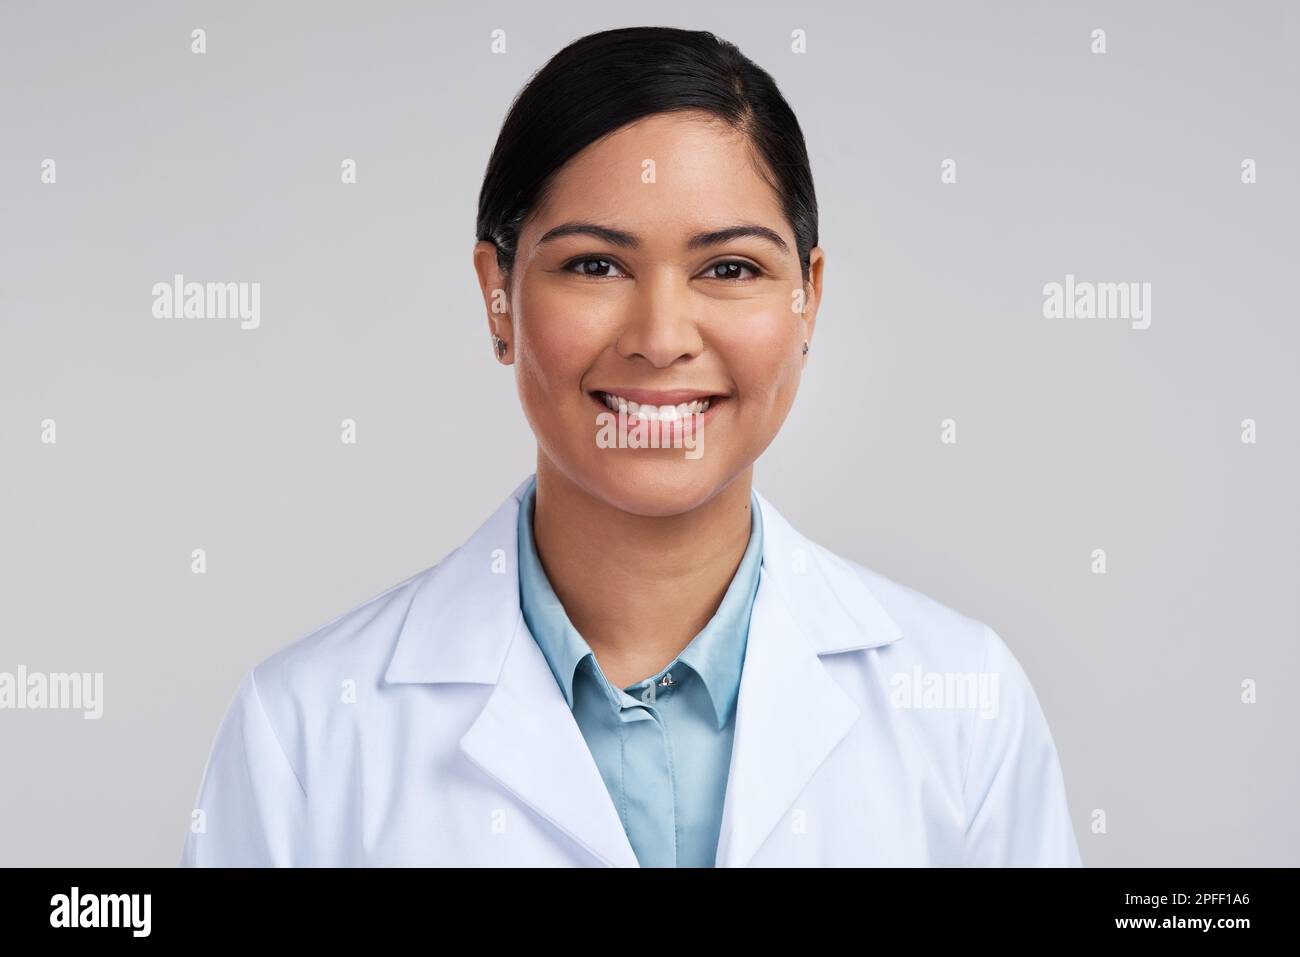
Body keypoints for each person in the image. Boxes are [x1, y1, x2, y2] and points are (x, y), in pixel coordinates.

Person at [181, 26, 1081, 868]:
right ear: (498, 295)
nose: (661, 337)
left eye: (729, 268)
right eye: (595, 265)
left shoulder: (964, 707)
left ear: (808, 298)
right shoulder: (305, 732)